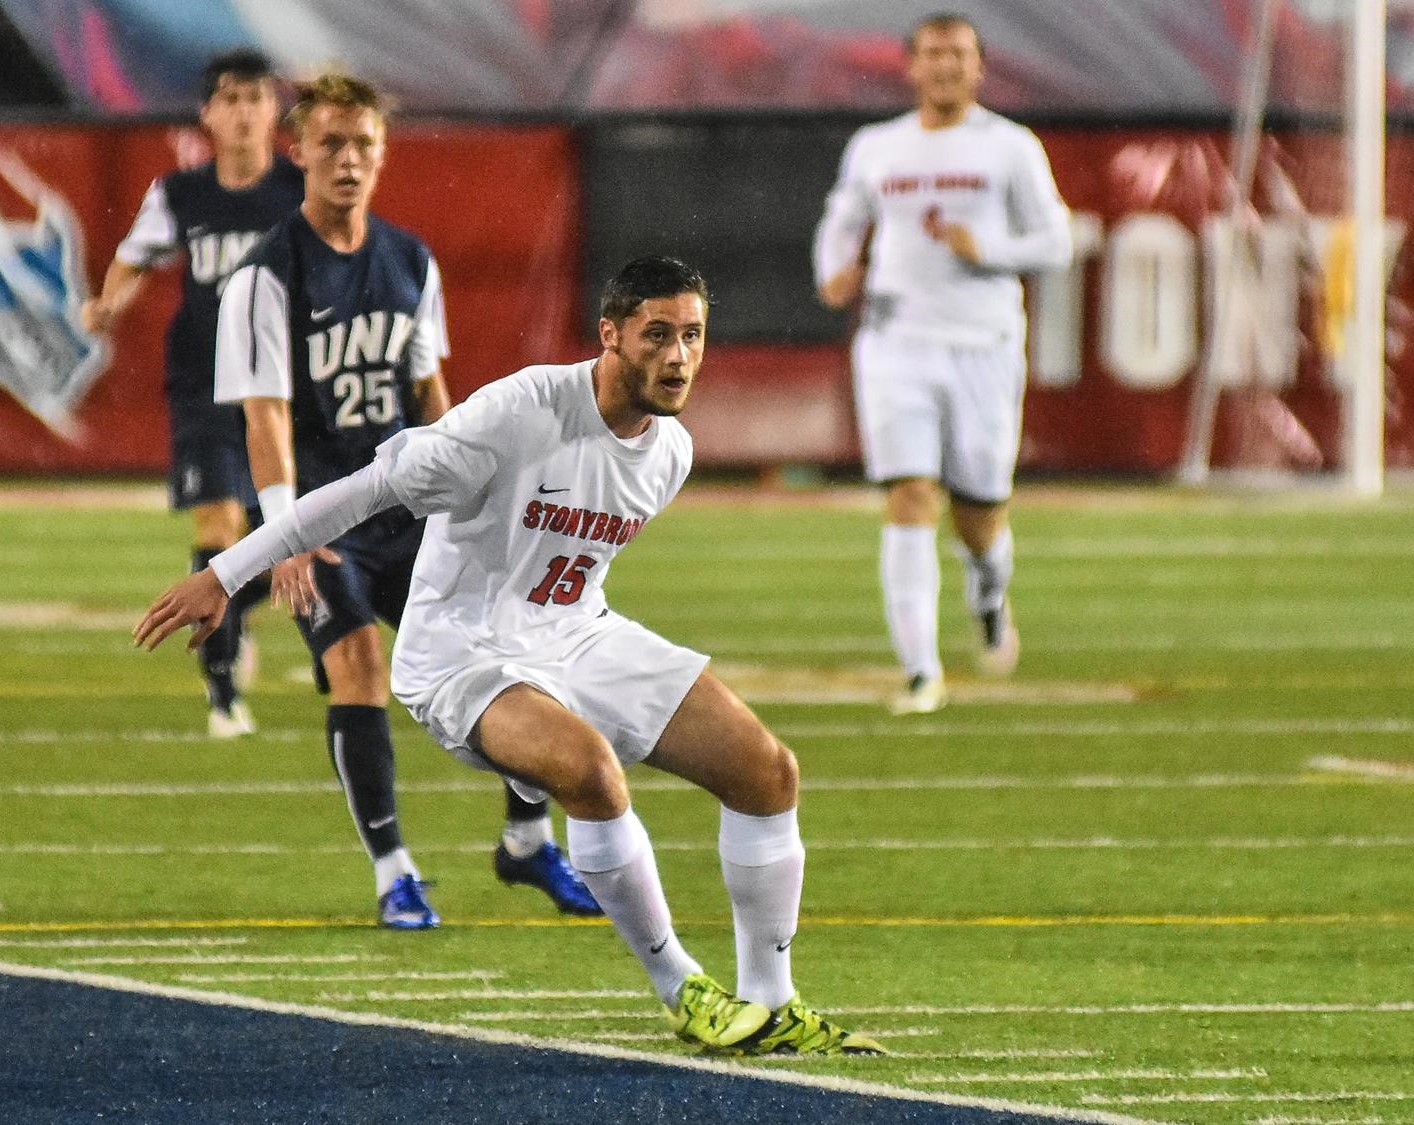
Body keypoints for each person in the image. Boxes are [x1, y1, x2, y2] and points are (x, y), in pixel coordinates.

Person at [137, 255, 884, 1056]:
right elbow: (361, 492)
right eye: (658, 335)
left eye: (693, 336)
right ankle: (683, 988)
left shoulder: (672, 452)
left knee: (767, 770)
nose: (678, 356)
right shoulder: (518, 412)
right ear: (611, 336)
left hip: (574, 631)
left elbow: (571, 570)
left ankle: (770, 1004)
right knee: (590, 770)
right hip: (463, 653)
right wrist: (225, 573)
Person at [211, 71, 599, 929]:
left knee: (508, 647)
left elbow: (429, 393)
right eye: (333, 144)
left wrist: (480, 488)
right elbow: (265, 414)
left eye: (365, 145)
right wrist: (283, 532)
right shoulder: (267, 272)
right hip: (322, 511)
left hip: (408, 504)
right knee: (359, 665)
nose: (349, 160)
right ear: (299, 150)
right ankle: (394, 870)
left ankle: (528, 842)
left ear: (383, 155)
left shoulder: (408, 258)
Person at [813, 12, 1073, 715]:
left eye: (958, 54)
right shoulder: (877, 146)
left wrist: (986, 247)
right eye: (934, 54)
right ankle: (921, 670)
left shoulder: (1009, 147)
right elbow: (841, 221)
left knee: (981, 510)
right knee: (909, 494)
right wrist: (835, 269)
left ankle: (988, 591)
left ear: (980, 67)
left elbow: (1056, 240)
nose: (946, 66)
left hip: (983, 344)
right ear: (912, 66)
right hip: (896, 343)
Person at [83, 49, 303, 739]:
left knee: (302, 535)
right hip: (206, 384)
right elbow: (137, 253)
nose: (243, 112)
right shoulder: (181, 194)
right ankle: (223, 690)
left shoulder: (303, 191)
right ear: (206, 114)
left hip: (289, 389)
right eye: (229, 99)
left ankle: (234, 606)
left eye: (255, 98)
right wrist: (110, 302)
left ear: (275, 110)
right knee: (217, 531)